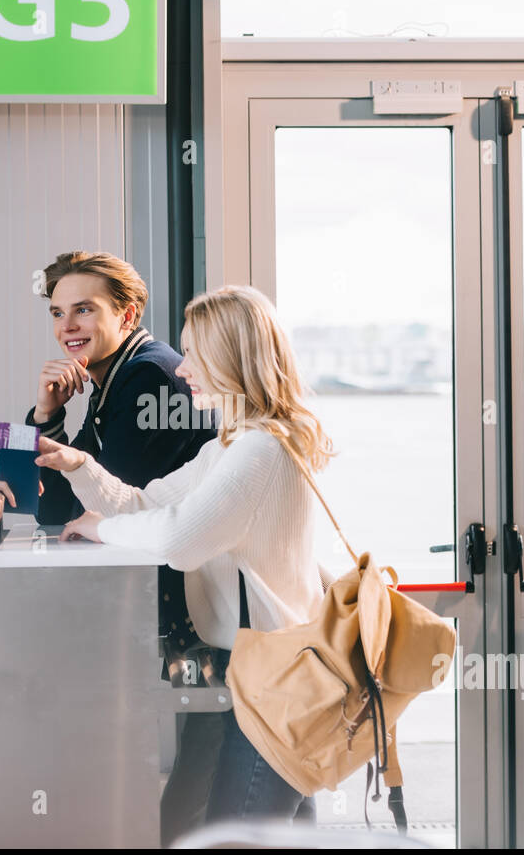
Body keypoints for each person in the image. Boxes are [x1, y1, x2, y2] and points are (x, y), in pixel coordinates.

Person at [37, 284, 330, 825]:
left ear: (230, 358)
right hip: (255, 678)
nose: (184, 368)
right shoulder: (228, 447)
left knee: (231, 834)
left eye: (196, 353)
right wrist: (78, 465)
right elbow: (144, 503)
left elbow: (179, 540)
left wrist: (103, 531)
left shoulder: (262, 449)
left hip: (274, 683)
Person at [0, 250, 237, 845]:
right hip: (174, 602)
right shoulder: (107, 381)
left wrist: (53, 433)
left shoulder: (148, 378)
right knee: (205, 767)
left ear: (128, 312)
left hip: (192, 611)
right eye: (58, 312)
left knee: (207, 772)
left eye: (85, 310)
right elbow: (37, 503)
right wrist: (45, 412)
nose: (68, 326)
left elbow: (83, 507)